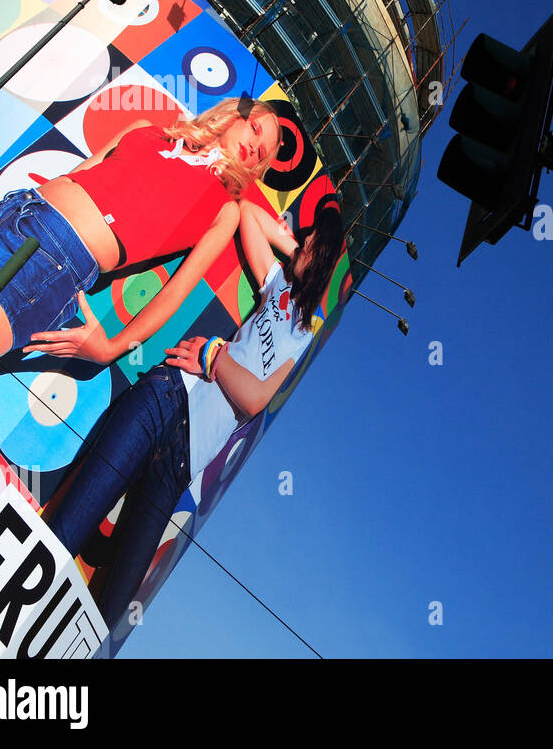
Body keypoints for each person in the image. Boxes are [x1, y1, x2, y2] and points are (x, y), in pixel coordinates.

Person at [45, 200, 345, 632]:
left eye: (314, 242)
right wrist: (295, 245)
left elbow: (256, 398)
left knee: (112, 610)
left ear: (326, 261)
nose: (305, 242)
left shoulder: (305, 334)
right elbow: (245, 213)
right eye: (307, 237)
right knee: (65, 531)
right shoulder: (276, 283)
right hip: (165, 396)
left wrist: (214, 356)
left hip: (182, 462)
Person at [0, 96, 280, 396]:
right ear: (237, 114)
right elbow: (82, 172)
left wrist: (111, 349)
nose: (254, 147)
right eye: (255, 130)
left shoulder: (225, 210)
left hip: (49, 262)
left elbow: (176, 292)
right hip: (10, 214)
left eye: (262, 153)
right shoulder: (148, 129)